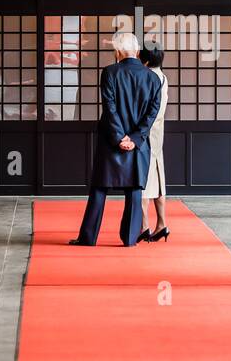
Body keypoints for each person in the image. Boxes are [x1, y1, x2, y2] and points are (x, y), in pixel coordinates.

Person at [68, 31, 162, 247]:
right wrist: (135, 138)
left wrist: (120, 137)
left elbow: (109, 108)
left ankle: (88, 238)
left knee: (99, 189)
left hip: (111, 142)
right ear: (137, 51)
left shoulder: (110, 72)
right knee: (134, 192)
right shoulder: (153, 78)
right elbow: (152, 113)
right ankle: (129, 239)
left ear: (117, 51)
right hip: (138, 146)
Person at [138, 41, 170, 242]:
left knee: (143, 178)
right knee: (158, 177)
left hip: (146, 132)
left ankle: (144, 225)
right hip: (158, 131)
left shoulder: (148, 77)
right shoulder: (163, 77)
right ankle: (162, 223)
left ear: (146, 60)